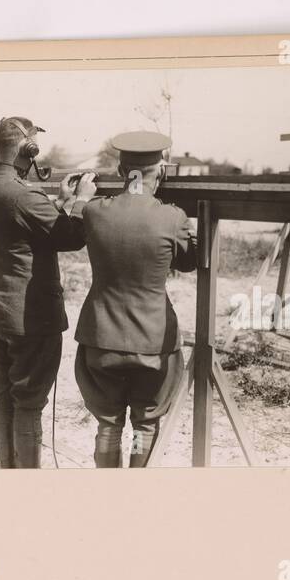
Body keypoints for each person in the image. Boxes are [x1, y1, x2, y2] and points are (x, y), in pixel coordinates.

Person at [68, 131, 197, 467]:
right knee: (145, 424)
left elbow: (75, 220)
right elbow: (189, 262)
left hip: (101, 337)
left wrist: (79, 199)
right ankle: (137, 493)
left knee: (108, 425)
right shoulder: (172, 217)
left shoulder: (94, 212)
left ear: (123, 172)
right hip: (152, 343)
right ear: (162, 172)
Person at [0, 117, 97, 468]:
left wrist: (60, 203)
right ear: (30, 150)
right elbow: (71, 238)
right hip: (29, 318)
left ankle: (9, 473)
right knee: (28, 402)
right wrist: (83, 202)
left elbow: (26, 230)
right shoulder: (24, 195)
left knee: (4, 396)